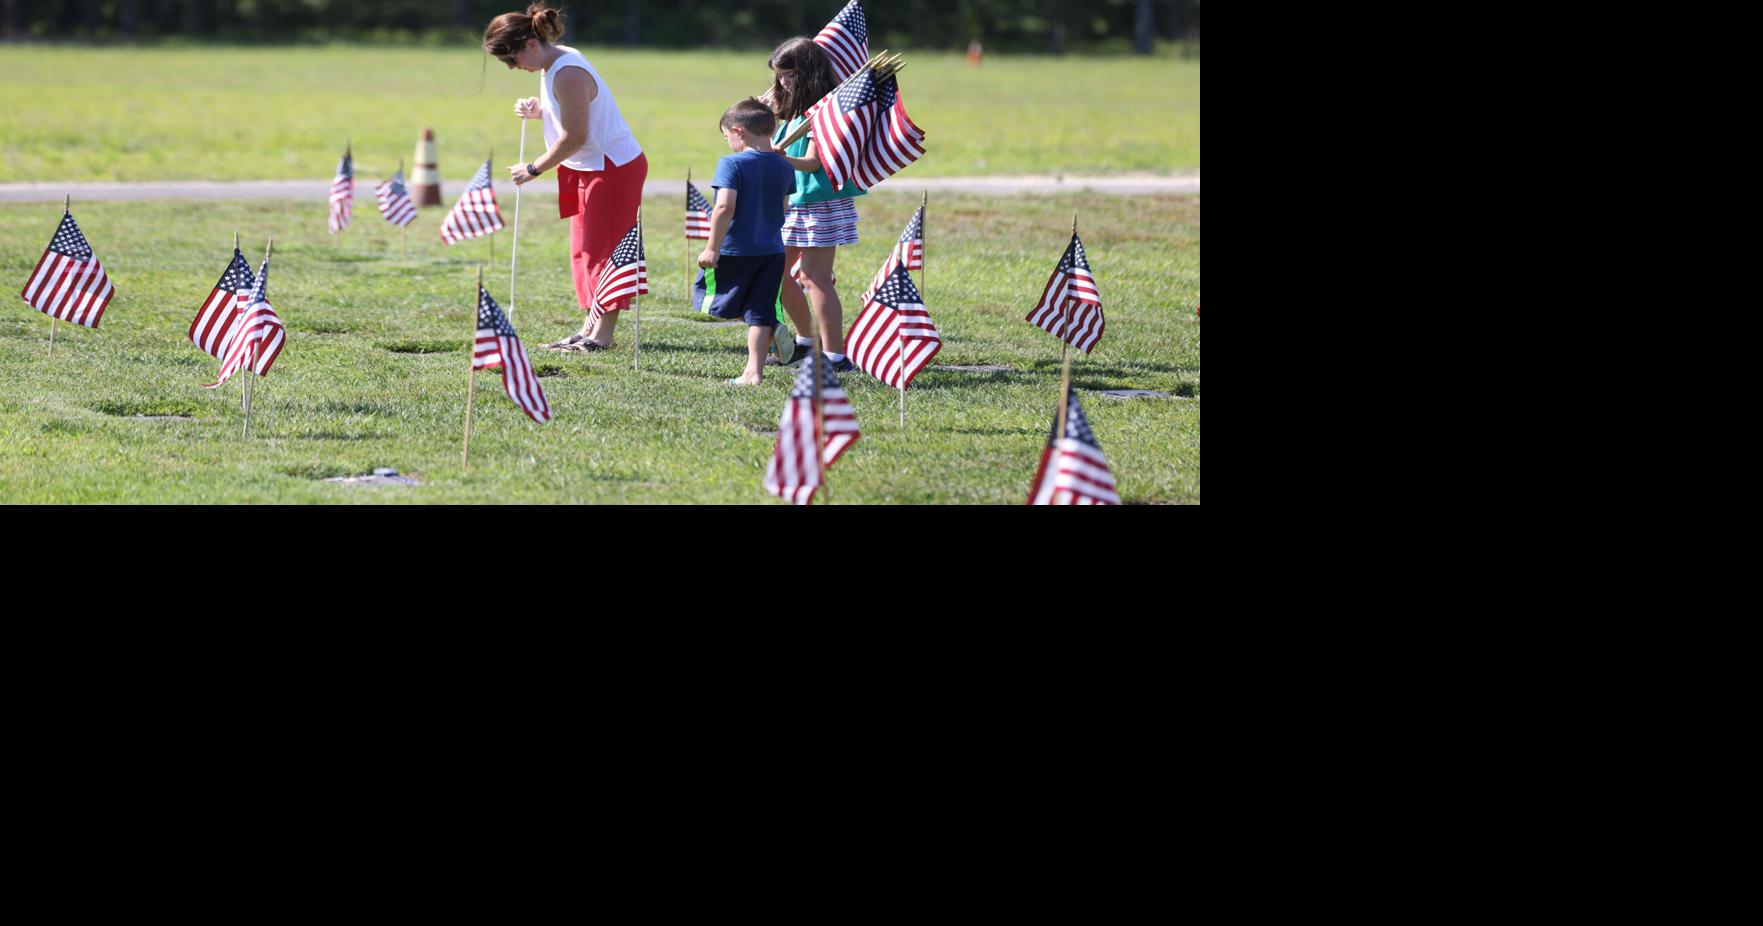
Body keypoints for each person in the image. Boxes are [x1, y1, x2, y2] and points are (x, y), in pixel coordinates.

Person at [485, 3, 648, 352]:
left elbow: (575, 136)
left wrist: (534, 168)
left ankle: (602, 338)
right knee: (582, 252)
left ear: (530, 44)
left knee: (604, 252)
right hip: (584, 168)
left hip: (611, 168)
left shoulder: (567, 71)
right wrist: (540, 110)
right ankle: (589, 329)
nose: (514, 68)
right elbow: (571, 113)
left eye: (511, 59)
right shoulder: (553, 64)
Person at [765, 37, 862, 372]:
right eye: (779, 76)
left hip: (820, 202)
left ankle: (835, 355)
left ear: (807, 73)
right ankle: (806, 341)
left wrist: (781, 158)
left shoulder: (824, 110)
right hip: (793, 203)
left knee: (814, 277)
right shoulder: (790, 107)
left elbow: (813, 162)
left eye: (789, 75)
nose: (782, 82)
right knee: (777, 272)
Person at [694, 99, 797, 385]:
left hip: (735, 250)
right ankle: (754, 372)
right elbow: (784, 207)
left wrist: (712, 247)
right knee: (760, 308)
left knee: (708, 298)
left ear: (738, 131)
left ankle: (770, 325)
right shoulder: (785, 166)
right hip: (773, 250)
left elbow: (724, 207)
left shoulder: (731, 163)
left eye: (726, 136)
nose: (727, 142)